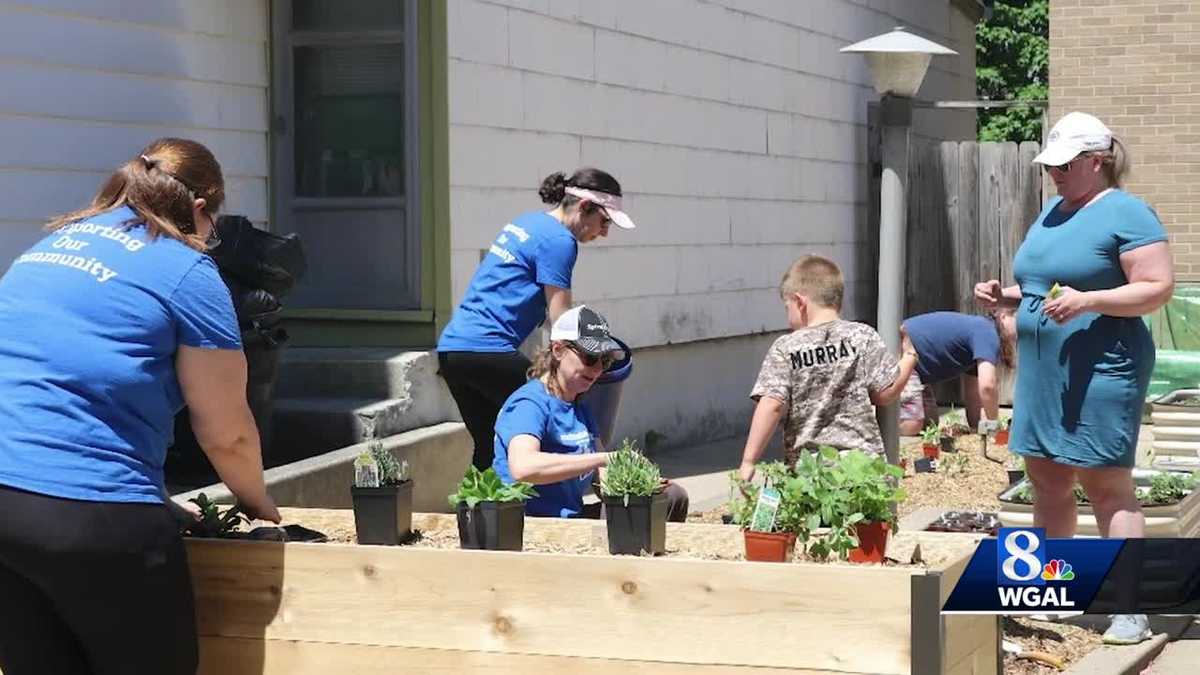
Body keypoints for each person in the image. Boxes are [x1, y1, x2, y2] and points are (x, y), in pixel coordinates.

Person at [0, 138, 281, 675]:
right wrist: (255, 500)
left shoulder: (49, 247)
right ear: (200, 208)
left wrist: (160, 502)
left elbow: (57, 390)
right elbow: (227, 433)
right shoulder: (185, 269)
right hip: (93, 514)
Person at [975, 111, 1173, 645]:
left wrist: (1091, 301)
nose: (1054, 174)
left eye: (1065, 166)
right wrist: (1005, 296)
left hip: (1103, 368)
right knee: (1046, 480)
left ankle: (1130, 611)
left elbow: (1156, 287)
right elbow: (1042, 284)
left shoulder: (1127, 212)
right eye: (1051, 166)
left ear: (1097, 160)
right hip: (1044, 372)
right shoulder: (1052, 211)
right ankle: (1050, 593)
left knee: (1107, 487)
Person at [438, 168, 636, 471]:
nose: (604, 232)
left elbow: (534, 305)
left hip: (453, 350)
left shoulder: (528, 223)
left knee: (490, 445)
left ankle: (481, 501)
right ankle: (594, 484)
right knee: (552, 420)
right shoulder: (560, 241)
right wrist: (595, 356)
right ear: (585, 207)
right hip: (489, 350)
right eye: (605, 221)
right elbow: (562, 322)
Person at [493, 305, 688, 520]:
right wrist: (604, 459)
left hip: (571, 519)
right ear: (558, 350)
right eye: (589, 357)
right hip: (531, 523)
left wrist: (641, 484)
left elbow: (602, 479)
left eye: (605, 361)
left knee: (671, 497)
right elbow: (523, 468)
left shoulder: (579, 406)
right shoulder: (529, 404)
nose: (597, 369)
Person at [738, 255, 919, 480]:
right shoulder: (862, 336)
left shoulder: (786, 348)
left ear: (800, 302)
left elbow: (771, 405)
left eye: (787, 308)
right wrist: (909, 357)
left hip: (811, 472)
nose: (788, 318)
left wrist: (748, 461)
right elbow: (885, 393)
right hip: (862, 467)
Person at [897, 309, 1017, 435]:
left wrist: (977, 430)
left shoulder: (980, 336)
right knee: (912, 424)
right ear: (1003, 317)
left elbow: (972, 394)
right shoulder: (988, 332)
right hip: (902, 350)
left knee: (929, 423)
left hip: (918, 365)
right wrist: (994, 425)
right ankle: (885, 429)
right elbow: (988, 386)